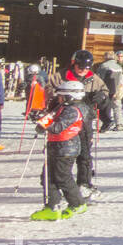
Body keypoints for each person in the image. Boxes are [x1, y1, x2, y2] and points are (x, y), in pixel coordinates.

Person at [30, 81, 91, 221]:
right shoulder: (63, 107)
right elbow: (48, 120)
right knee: (47, 177)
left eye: (61, 96)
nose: (59, 99)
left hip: (65, 149)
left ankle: (78, 203)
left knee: (63, 177)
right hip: (56, 148)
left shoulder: (73, 110)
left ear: (70, 96)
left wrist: (44, 123)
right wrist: (40, 120)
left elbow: (57, 127)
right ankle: (52, 207)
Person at [63, 50, 108, 196]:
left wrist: (101, 96)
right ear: (73, 64)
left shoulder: (93, 78)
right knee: (66, 153)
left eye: (86, 67)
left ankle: (84, 182)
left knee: (85, 153)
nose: (83, 70)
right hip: (66, 120)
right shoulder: (62, 76)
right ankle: (63, 182)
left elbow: (105, 90)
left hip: (85, 118)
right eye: (80, 67)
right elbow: (49, 90)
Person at [97, 51, 123, 131]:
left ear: (106, 57)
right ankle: (119, 124)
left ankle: (106, 122)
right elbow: (122, 80)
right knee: (117, 106)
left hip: (105, 89)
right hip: (116, 89)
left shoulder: (103, 66)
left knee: (104, 107)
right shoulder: (118, 67)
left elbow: (99, 78)